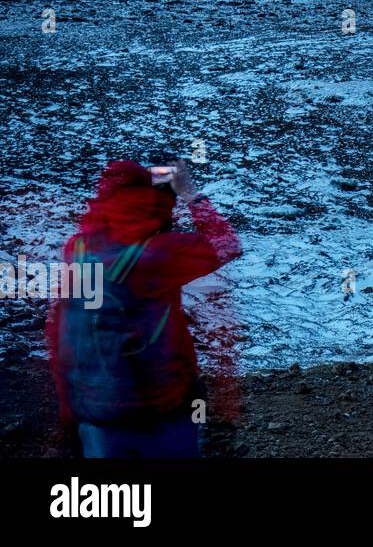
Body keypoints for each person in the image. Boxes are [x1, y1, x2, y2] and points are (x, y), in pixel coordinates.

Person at [47, 159, 242, 458]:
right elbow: (226, 244)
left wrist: (68, 412)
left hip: (96, 410)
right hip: (161, 406)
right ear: (162, 203)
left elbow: (62, 327)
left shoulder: (80, 248)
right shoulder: (160, 254)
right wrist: (191, 194)